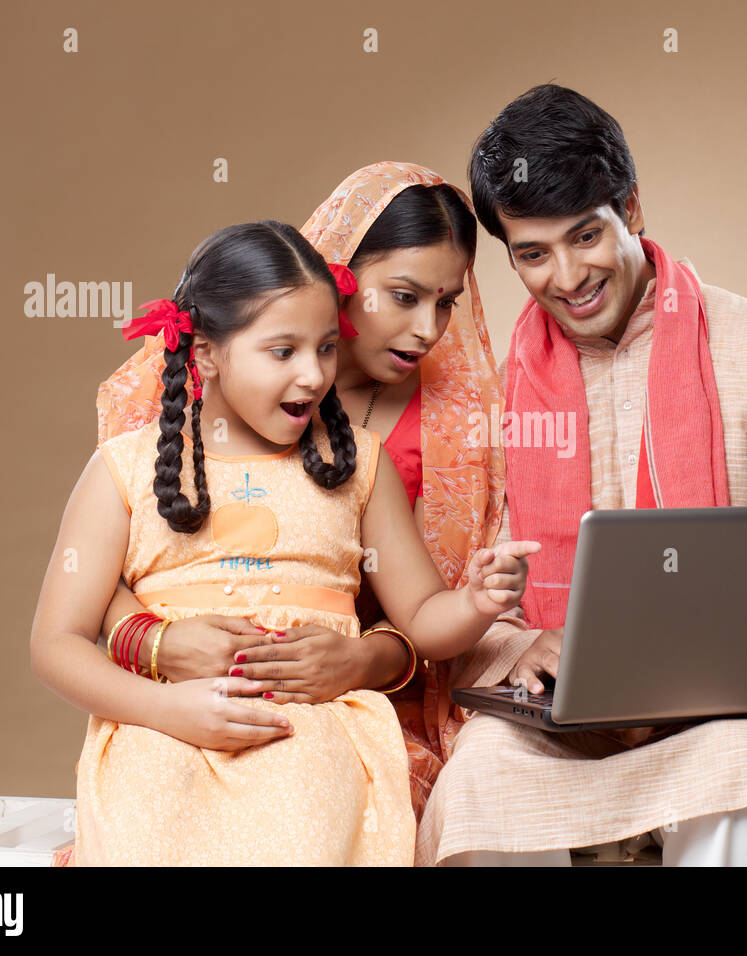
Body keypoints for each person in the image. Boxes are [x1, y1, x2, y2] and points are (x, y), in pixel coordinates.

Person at [417, 84, 747, 867]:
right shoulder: (487, 389)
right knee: (479, 788)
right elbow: (449, 578)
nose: (567, 276)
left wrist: (743, 662)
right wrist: (520, 650)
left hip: (733, 715)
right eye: (533, 254)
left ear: (633, 209)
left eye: (586, 236)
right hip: (551, 723)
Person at [29, 219, 538, 865]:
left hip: (307, 723)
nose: (313, 376)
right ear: (207, 353)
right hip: (160, 721)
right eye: (283, 351)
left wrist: (477, 602)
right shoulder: (121, 469)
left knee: (299, 827)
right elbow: (56, 643)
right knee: (149, 820)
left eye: (326, 348)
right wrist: (165, 709)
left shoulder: (360, 467)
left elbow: (423, 621)